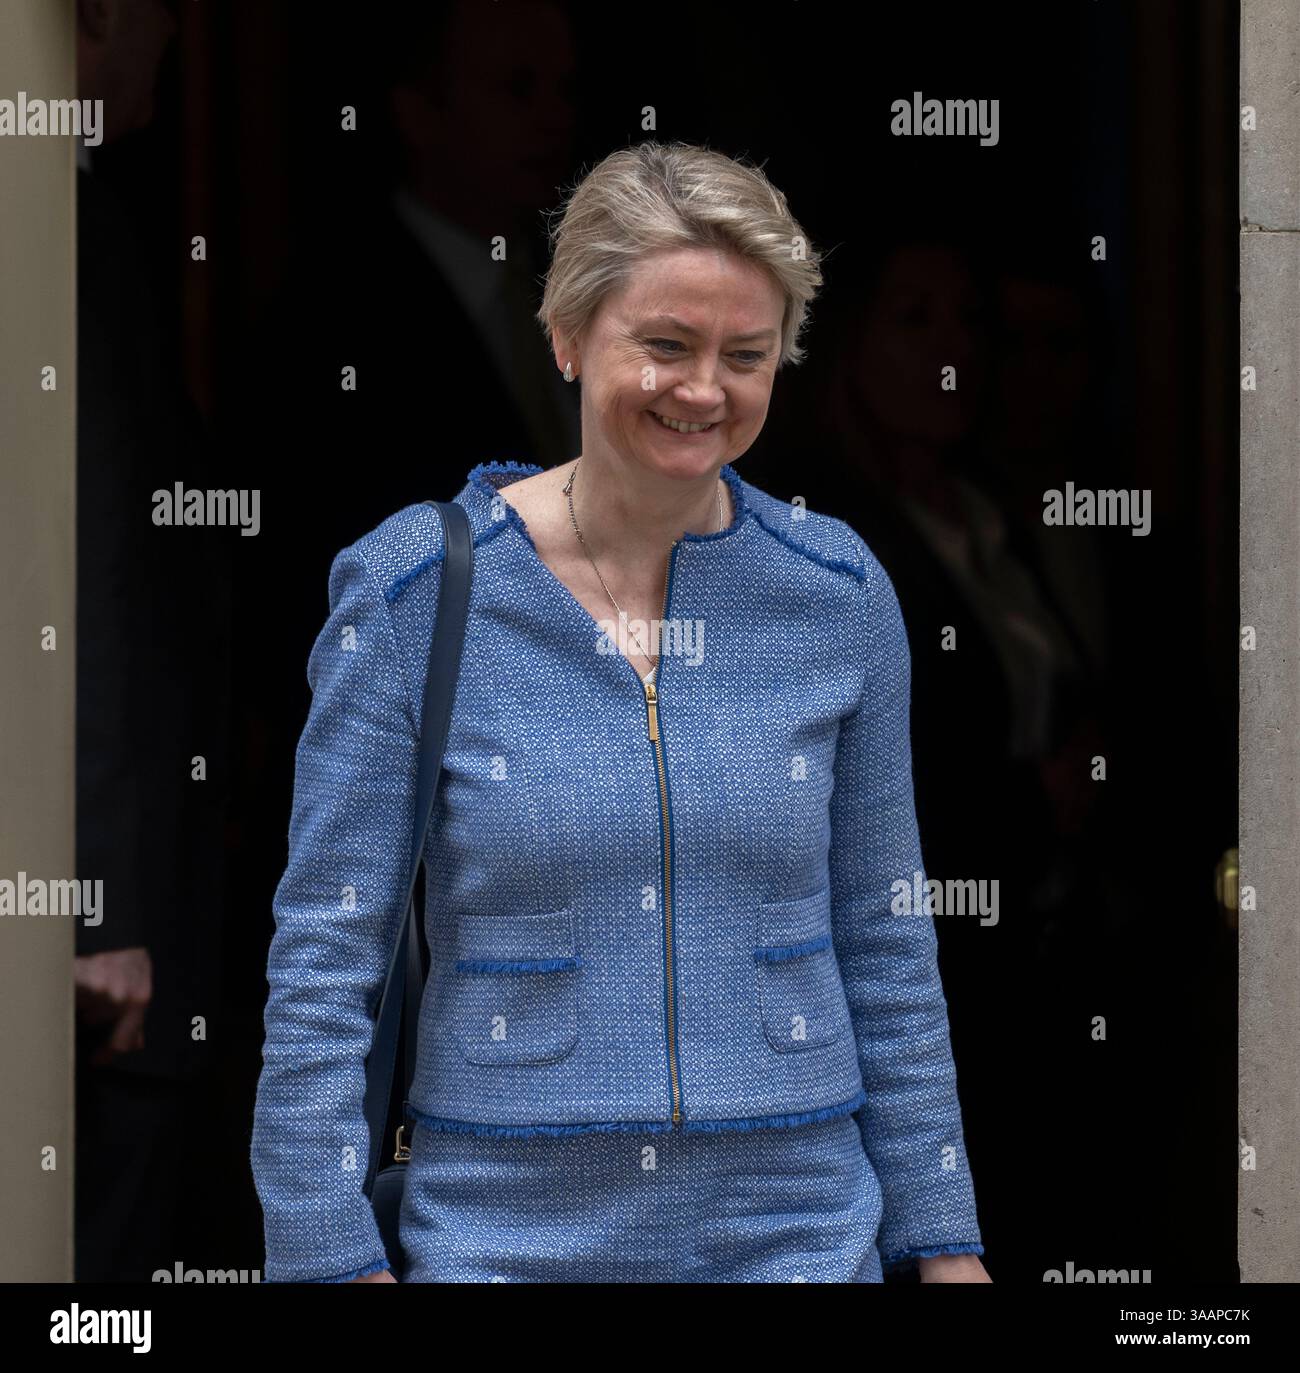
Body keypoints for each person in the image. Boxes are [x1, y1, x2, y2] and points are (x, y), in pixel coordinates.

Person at [249, 140, 990, 1284]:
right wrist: (324, 1249)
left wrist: (943, 1239)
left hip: (796, 1231)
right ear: (565, 333)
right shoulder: (413, 589)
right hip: (503, 1236)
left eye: (746, 354)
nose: (704, 389)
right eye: (665, 344)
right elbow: (324, 956)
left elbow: (886, 939)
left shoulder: (835, 593)